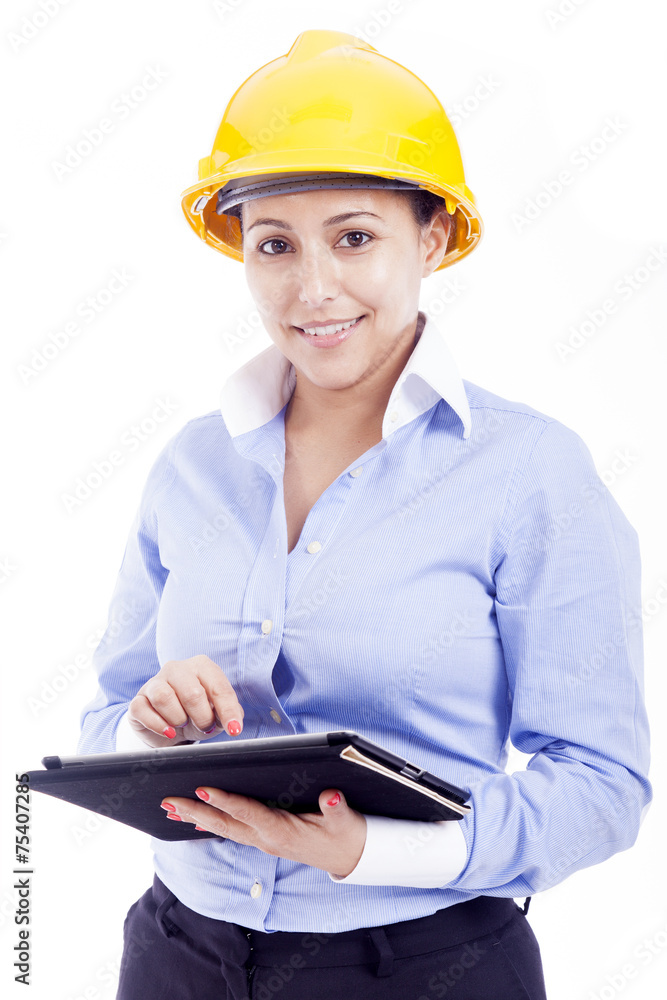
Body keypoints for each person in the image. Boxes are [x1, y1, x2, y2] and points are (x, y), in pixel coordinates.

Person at [77, 30, 651, 1000]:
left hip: (422, 965)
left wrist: (375, 847)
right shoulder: (191, 464)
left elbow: (601, 784)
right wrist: (144, 733)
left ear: (431, 237)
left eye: (353, 236)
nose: (312, 287)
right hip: (178, 956)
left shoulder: (529, 473)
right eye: (274, 244)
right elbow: (106, 713)